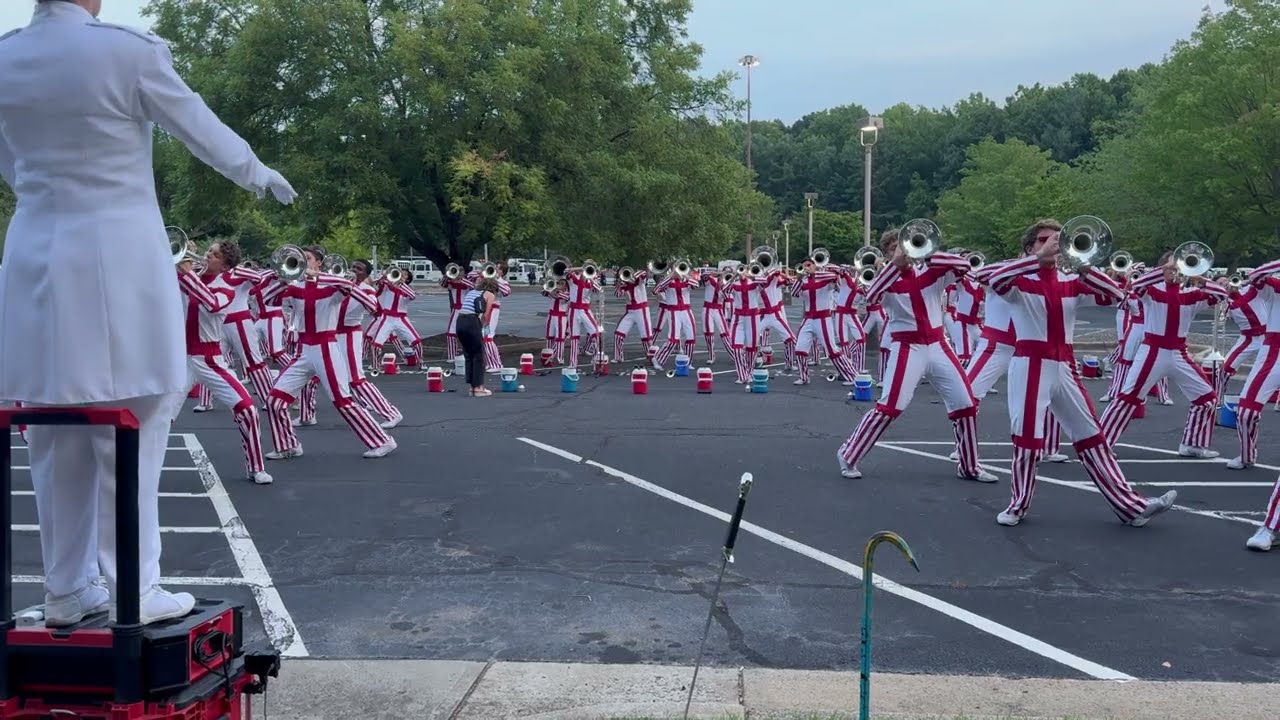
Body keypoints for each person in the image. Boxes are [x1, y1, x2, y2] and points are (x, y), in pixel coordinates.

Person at [0, 0, 296, 626]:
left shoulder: (4, 58)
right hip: (115, 258)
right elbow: (199, 126)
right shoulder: (125, 50)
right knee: (137, 416)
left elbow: (9, 162)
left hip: (32, 256)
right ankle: (136, 586)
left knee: (52, 429)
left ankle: (67, 589)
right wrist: (256, 172)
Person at [987, 219, 1176, 527]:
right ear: (1029, 247)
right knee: (1027, 439)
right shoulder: (1018, 279)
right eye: (1044, 240)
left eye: (1058, 240)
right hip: (1030, 362)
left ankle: (1130, 506)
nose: (1053, 244)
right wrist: (1037, 260)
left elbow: (1117, 295)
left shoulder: (1069, 279)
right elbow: (995, 280)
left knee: (1092, 436)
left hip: (1065, 364)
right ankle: (1018, 505)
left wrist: (1083, 265)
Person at [836, 229, 992, 483]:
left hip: (938, 344)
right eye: (894, 248)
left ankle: (969, 465)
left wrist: (929, 254)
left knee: (965, 404)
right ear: (887, 254)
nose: (903, 251)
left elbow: (964, 265)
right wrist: (894, 265)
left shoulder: (930, 271)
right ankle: (848, 453)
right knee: (891, 406)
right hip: (908, 347)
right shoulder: (886, 279)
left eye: (905, 246)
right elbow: (871, 296)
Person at [1096, 252, 1225, 457]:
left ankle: (1193, 444)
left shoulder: (1191, 292)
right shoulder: (1152, 289)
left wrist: (1199, 279)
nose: (1175, 270)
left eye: (1178, 266)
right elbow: (1136, 286)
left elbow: (1221, 295)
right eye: (1171, 266)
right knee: (1127, 398)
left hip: (1180, 352)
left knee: (1207, 399)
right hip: (1152, 350)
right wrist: (1164, 270)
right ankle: (1100, 445)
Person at [457, 278, 499, 396]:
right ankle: (479, 388)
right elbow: (486, 314)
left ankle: (472, 387)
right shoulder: (489, 294)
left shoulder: (471, 292)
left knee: (469, 355)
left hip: (460, 321)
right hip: (471, 321)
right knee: (478, 355)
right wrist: (483, 328)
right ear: (493, 288)